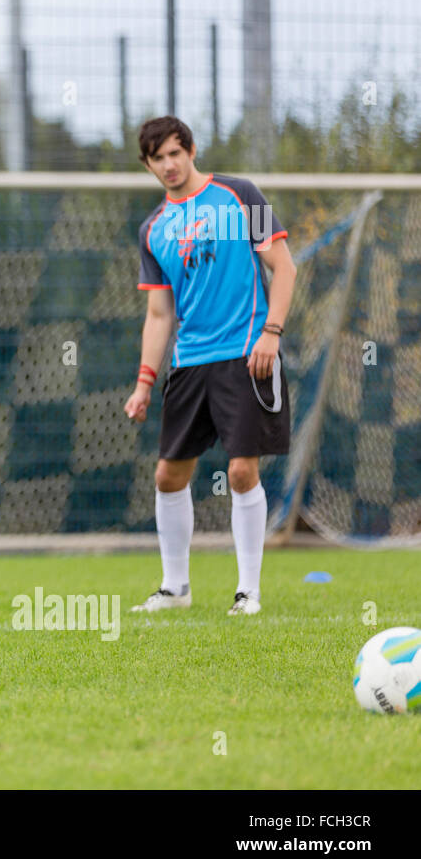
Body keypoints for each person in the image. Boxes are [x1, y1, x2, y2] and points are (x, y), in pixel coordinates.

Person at [124, 116, 297, 616]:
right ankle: (175, 588)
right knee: (167, 477)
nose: (169, 165)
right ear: (148, 164)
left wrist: (272, 333)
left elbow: (283, 266)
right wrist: (143, 382)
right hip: (188, 363)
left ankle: (248, 592)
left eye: (176, 153)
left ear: (192, 149)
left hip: (245, 353)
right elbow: (160, 314)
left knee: (242, 471)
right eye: (158, 158)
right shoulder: (152, 230)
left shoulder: (239, 194)